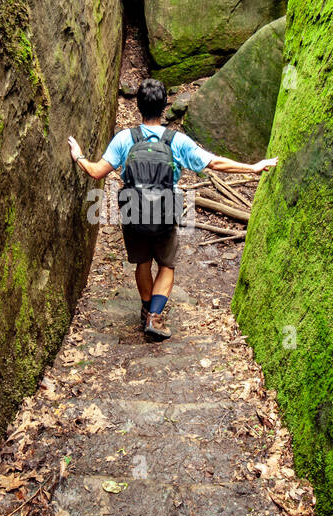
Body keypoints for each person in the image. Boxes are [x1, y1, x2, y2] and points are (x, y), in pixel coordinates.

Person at [68, 78, 277, 341]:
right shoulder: (176, 141)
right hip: (165, 215)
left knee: (143, 262)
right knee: (167, 265)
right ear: (164, 106)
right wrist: (253, 167)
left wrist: (78, 156)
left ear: (138, 107)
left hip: (133, 214)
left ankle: (147, 310)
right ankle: (154, 316)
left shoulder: (124, 139)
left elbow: (97, 172)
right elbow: (214, 163)